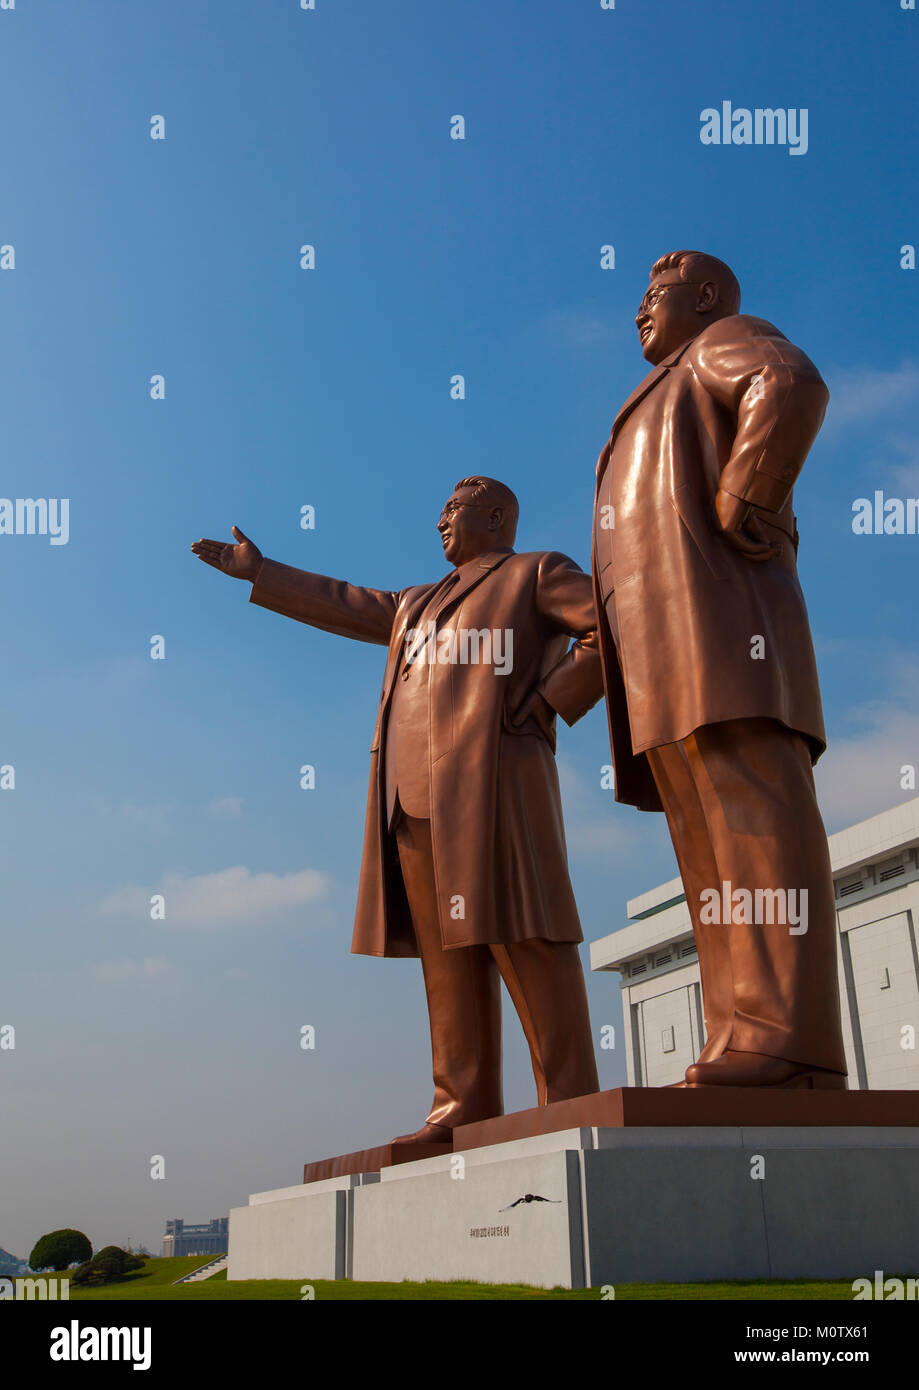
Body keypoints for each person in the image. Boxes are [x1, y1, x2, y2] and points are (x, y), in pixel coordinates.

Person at [193, 476, 603, 1143]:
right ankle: (459, 1106)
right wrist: (261, 572)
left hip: (493, 782)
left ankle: (565, 1099)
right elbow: (345, 603)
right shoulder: (414, 603)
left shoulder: (534, 574)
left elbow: (611, 625)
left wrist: (552, 701)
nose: (440, 519)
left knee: (525, 933)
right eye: (440, 507)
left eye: (454, 507)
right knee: (446, 958)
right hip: (410, 799)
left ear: (496, 516)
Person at [592, 250, 847, 1089]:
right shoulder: (657, 387)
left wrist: (748, 494)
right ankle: (737, 1032)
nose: (638, 312)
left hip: (727, 630)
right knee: (705, 849)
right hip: (664, 655)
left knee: (754, 822)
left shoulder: (722, 340)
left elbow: (791, 383)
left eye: (652, 295)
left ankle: (788, 1039)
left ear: (701, 299)